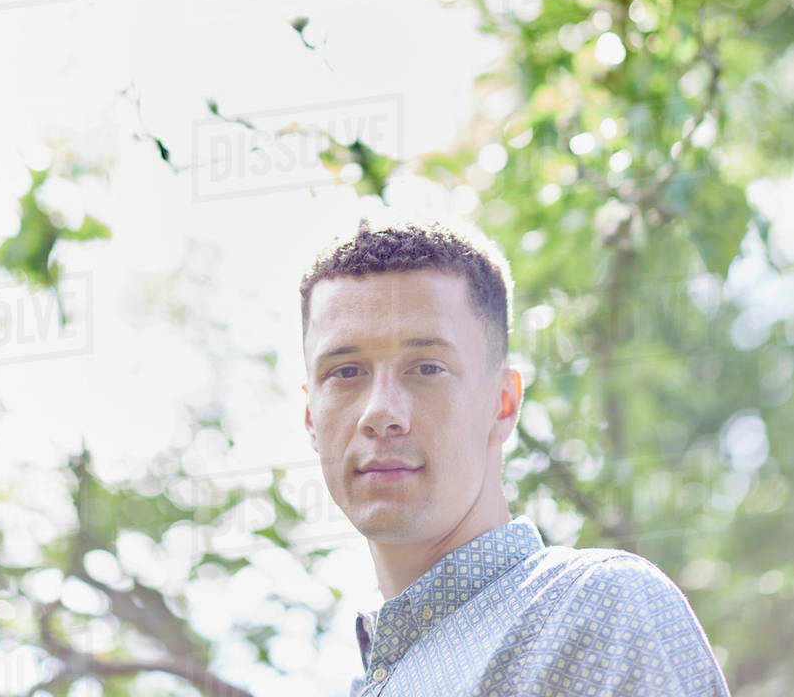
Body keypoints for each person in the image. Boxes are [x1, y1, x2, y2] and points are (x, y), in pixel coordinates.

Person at [300, 214, 731, 696]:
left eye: (427, 367)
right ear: (311, 418)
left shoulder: (597, 608)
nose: (380, 412)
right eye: (345, 372)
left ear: (503, 404)